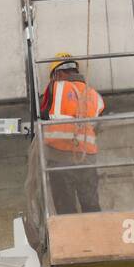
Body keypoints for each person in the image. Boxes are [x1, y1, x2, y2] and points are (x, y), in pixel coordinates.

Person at [39, 53, 105, 214]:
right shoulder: (95, 95)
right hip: (87, 158)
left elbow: (42, 114)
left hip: (60, 156)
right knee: (91, 205)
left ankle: (71, 237)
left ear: (58, 74)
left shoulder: (55, 87)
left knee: (65, 208)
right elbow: (97, 127)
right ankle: (96, 235)